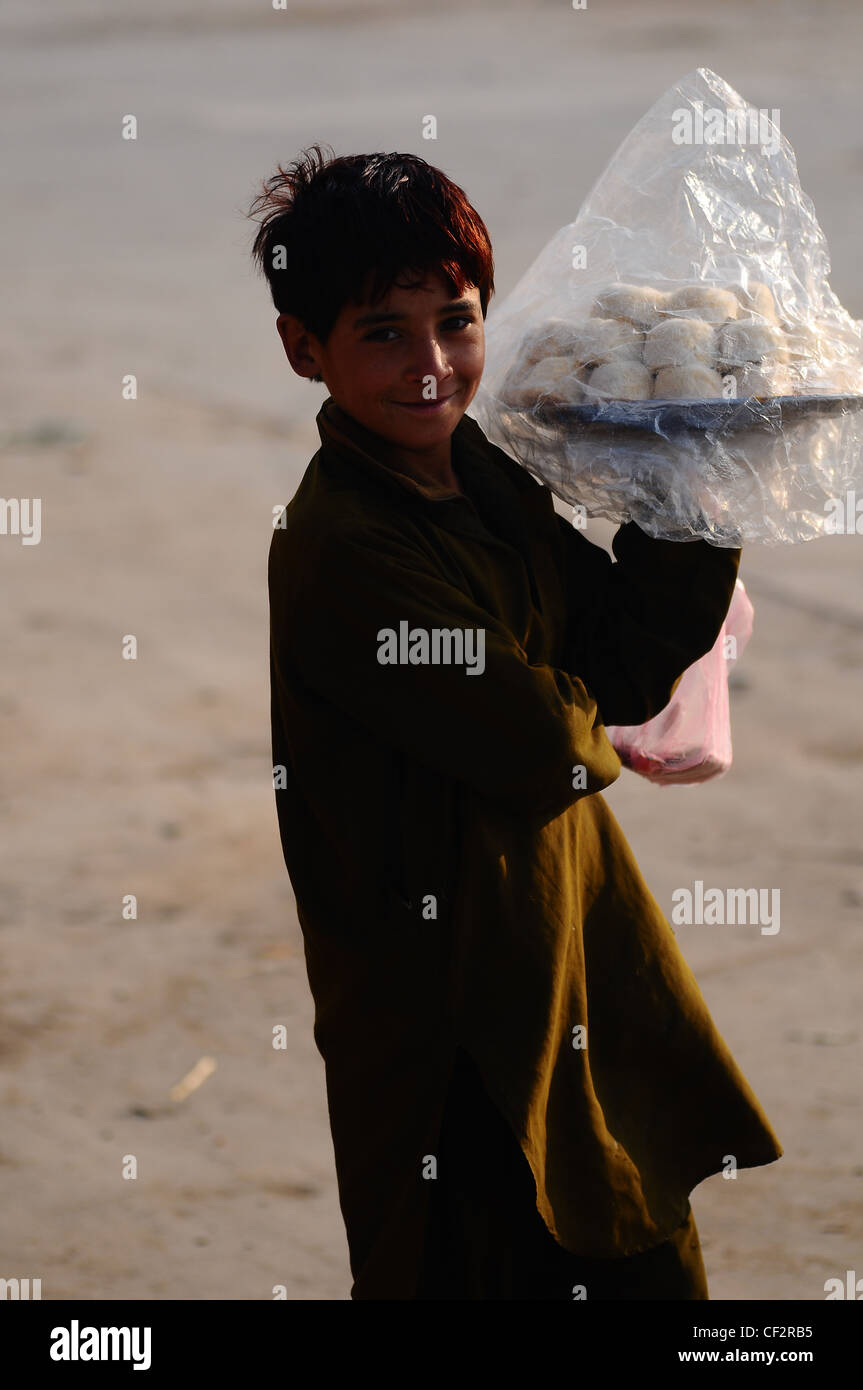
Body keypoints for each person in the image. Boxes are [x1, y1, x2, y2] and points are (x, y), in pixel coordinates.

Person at [249, 144, 782, 1301]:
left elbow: (615, 666)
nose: (433, 364)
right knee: (478, 1259)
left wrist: (689, 483)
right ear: (303, 348)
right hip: (444, 1002)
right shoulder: (347, 547)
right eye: (383, 332)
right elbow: (540, 744)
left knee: (634, 1234)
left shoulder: (477, 473)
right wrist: (585, 720)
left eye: (455, 320)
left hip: (570, 938)